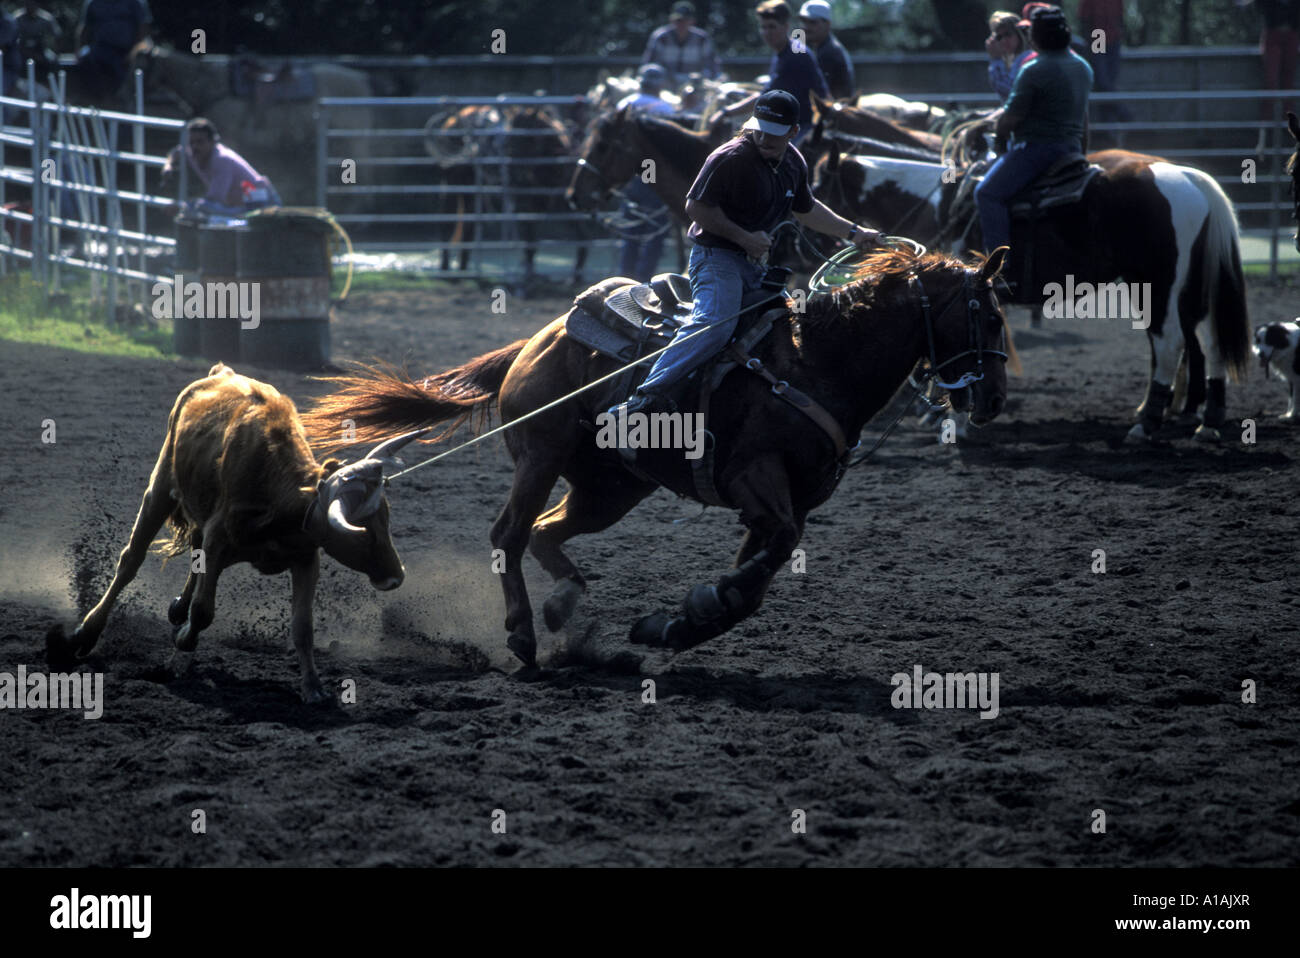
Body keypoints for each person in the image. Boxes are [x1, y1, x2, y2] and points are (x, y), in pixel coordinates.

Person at [608, 90, 882, 419]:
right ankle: (644, 398)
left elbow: (806, 209)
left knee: (786, 326)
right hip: (716, 257)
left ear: (793, 132)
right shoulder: (730, 158)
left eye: (774, 132)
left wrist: (855, 233)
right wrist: (744, 238)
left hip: (754, 264)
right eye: (760, 128)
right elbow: (695, 207)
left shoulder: (794, 162)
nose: (764, 138)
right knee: (715, 326)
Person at [975, 5, 1091, 260]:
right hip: (1071, 148)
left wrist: (999, 135)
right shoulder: (1083, 67)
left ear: (1035, 37)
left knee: (986, 193)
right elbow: (1084, 119)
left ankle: (997, 267)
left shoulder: (1033, 69)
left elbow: (1011, 118)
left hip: (1036, 150)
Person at [714, 1, 829, 147]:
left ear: (785, 27)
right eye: (763, 27)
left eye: (772, 27)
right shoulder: (784, 52)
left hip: (806, 125)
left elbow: (765, 98)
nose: (767, 32)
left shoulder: (794, 55)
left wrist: (725, 112)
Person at [616, 64, 676, 282]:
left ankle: (624, 280)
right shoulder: (667, 109)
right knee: (655, 232)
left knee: (630, 230)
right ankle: (644, 281)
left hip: (631, 174)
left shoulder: (625, 104)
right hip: (658, 177)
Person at [162, 118, 282, 219]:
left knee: (203, 209)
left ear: (213, 142)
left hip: (260, 204)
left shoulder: (221, 160)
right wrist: (169, 165)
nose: (195, 146)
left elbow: (214, 200)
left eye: (200, 142)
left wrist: (182, 207)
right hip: (238, 205)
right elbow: (176, 152)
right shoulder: (192, 151)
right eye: (191, 142)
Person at [74, 0, 151, 97]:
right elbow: (84, 30)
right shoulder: (93, 3)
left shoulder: (135, 3)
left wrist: (134, 51)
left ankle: (125, 97)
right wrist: (77, 52)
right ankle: (95, 97)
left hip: (127, 51)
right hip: (100, 49)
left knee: (131, 67)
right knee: (85, 57)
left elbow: (143, 30)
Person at [641, 1, 721, 89]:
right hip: (665, 86)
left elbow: (712, 66)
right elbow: (650, 65)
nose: (681, 24)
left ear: (692, 21)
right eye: (678, 20)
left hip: (694, 87)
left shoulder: (702, 39)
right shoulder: (661, 37)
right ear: (671, 20)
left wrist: (701, 77)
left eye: (685, 20)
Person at [798, 1, 854, 100]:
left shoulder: (829, 52)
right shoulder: (824, 47)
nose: (806, 27)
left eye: (812, 22)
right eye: (804, 21)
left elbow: (818, 93)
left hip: (834, 112)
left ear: (827, 24)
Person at [985, 11, 1032, 103]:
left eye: (1008, 35)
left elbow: (1010, 92)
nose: (1003, 40)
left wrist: (996, 60)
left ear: (1019, 35)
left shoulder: (1026, 58)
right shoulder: (1012, 60)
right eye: (999, 37)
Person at [14, 2, 61, 77]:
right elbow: (12, 39)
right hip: (22, 51)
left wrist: (56, 50)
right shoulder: (17, 18)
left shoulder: (46, 18)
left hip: (41, 50)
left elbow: (57, 35)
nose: (30, 6)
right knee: (14, 61)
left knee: (53, 60)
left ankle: (51, 82)